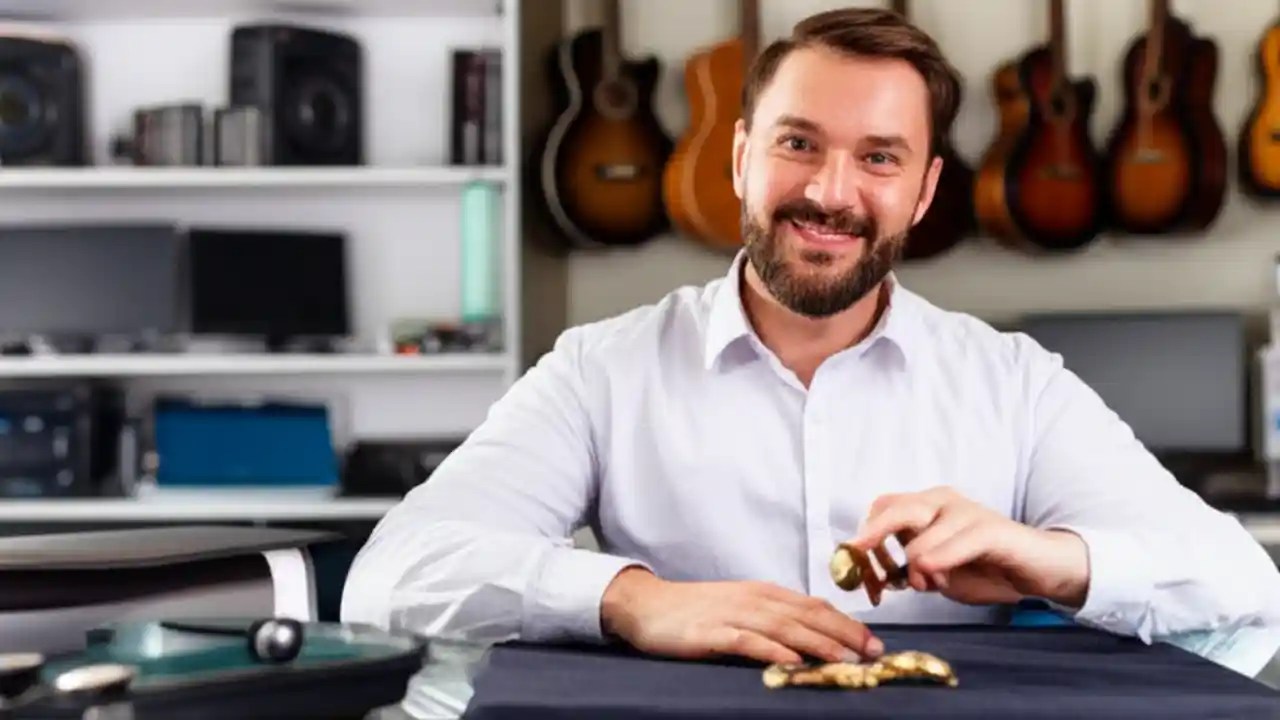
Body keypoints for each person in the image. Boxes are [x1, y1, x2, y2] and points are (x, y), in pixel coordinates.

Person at [342, 7, 1280, 675]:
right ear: (742, 156)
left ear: (921, 192)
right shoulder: (604, 370)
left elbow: (1247, 590)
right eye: (799, 144)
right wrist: (632, 598)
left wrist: (1053, 558)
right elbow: (391, 578)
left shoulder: (1014, 384)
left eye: (879, 157)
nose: (832, 192)